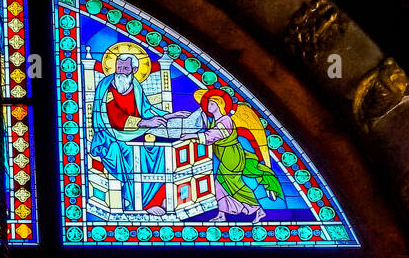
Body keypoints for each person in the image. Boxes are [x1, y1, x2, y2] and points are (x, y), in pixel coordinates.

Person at [90, 49, 170, 213]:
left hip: (137, 132)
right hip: (110, 136)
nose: (120, 71)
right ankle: (140, 204)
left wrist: (169, 116)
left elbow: (147, 109)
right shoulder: (107, 87)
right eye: (118, 67)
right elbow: (114, 117)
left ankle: (158, 198)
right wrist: (145, 122)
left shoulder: (136, 87)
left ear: (134, 70)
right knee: (133, 153)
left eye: (125, 69)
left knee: (158, 151)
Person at [187, 88, 280, 223]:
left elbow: (214, 135)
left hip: (233, 158)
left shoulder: (226, 121)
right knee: (219, 185)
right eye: (208, 103)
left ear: (220, 105)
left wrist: (193, 136)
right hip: (225, 158)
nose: (208, 106)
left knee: (235, 186)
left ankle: (258, 209)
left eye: (212, 103)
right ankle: (222, 214)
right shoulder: (213, 120)